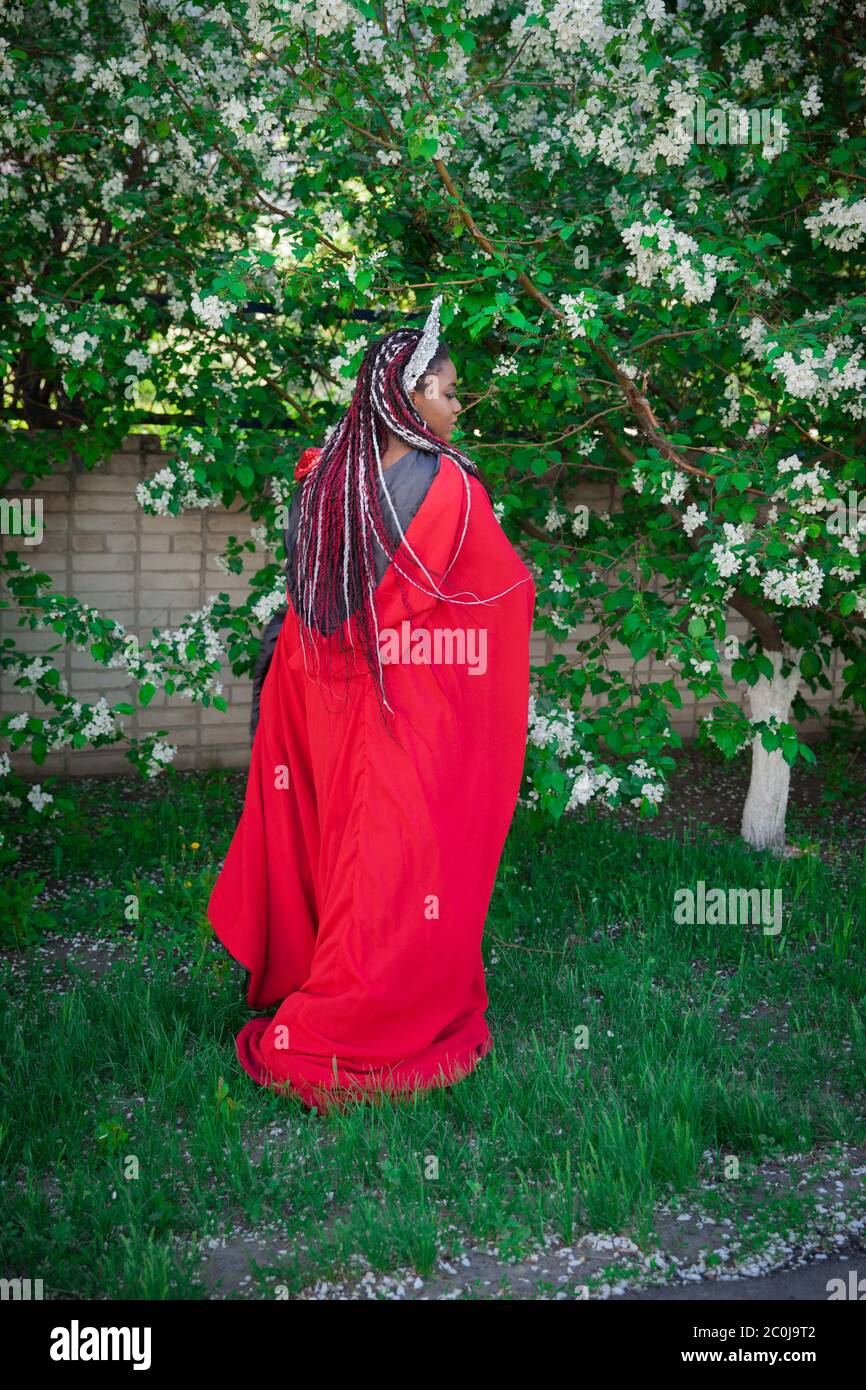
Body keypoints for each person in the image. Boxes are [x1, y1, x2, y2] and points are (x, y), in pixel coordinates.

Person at [208, 296, 536, 1112]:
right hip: (400, 710)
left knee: (338, 845)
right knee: (395, 862)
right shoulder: (452, 489)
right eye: (450, 391)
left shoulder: (322, 474)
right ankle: (360, 1015)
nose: (459, 407)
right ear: (407, 395)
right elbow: (498, 597)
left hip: (319, 695)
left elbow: (307, 599)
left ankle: (325, 980)